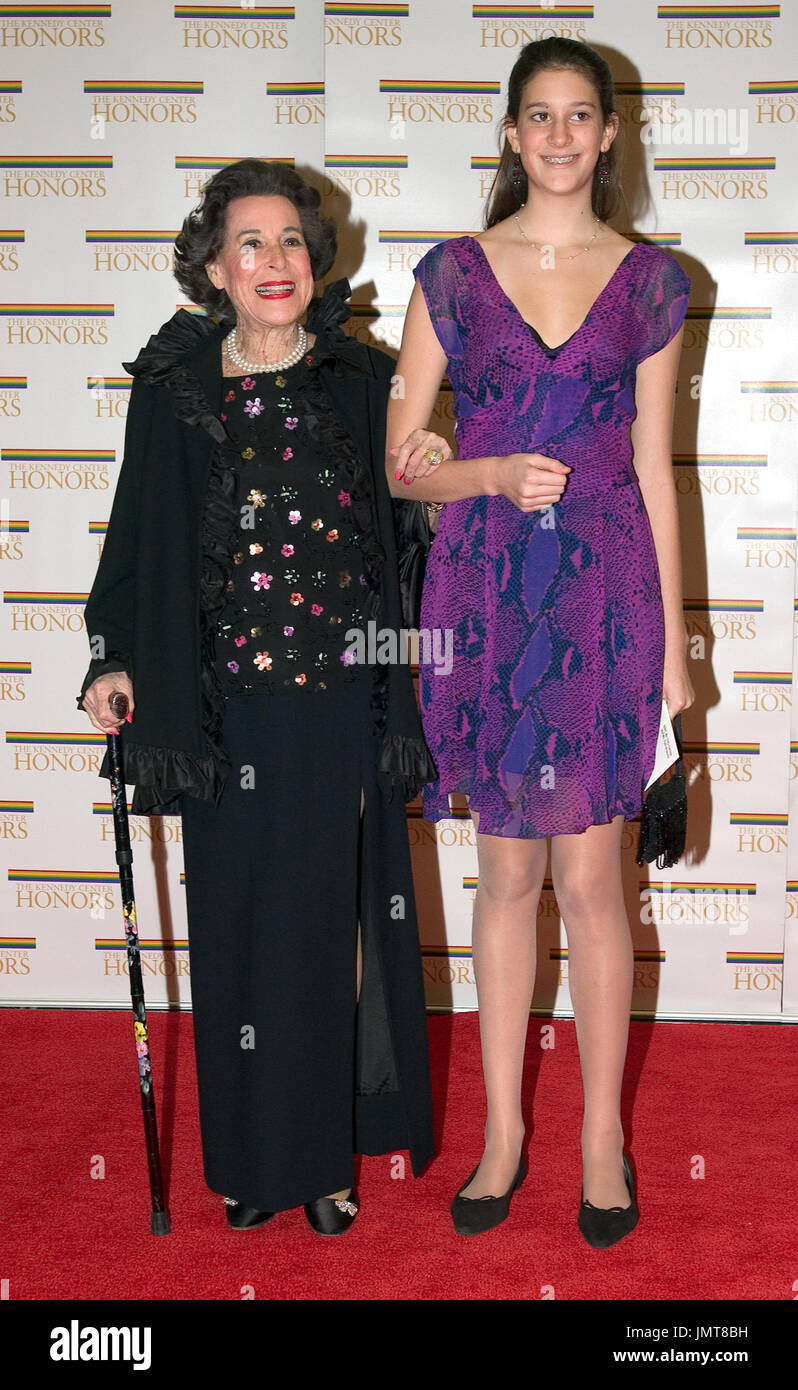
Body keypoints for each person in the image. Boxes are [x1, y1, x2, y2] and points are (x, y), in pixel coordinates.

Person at [79, 159, 440, 1235]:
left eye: (290, 240)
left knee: (326, 936)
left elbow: (405, 539)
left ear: (313, 259)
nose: (274, 261)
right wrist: (112, 657)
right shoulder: (175, 388)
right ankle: (245, 1166)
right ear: (215, 267)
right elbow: (136, 540)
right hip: (220, 709)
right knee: (236, 934)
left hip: (335, 702)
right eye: (250, 243)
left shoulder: (361, 380)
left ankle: (323, 1167)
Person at [388, 37, 694, 1246]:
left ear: (610, 134)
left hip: (611, 597)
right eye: (539, 115)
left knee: (595, 884)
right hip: (490, 595)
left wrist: (674, 655)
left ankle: (601, 1141)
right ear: (510, 133)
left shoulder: (654, 281)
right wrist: (489, 470)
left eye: (583, 115)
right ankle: (504, 1135)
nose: (561, 135)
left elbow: (660, 476)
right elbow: (405, 468)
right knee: (507, 873)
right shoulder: (454, 276)